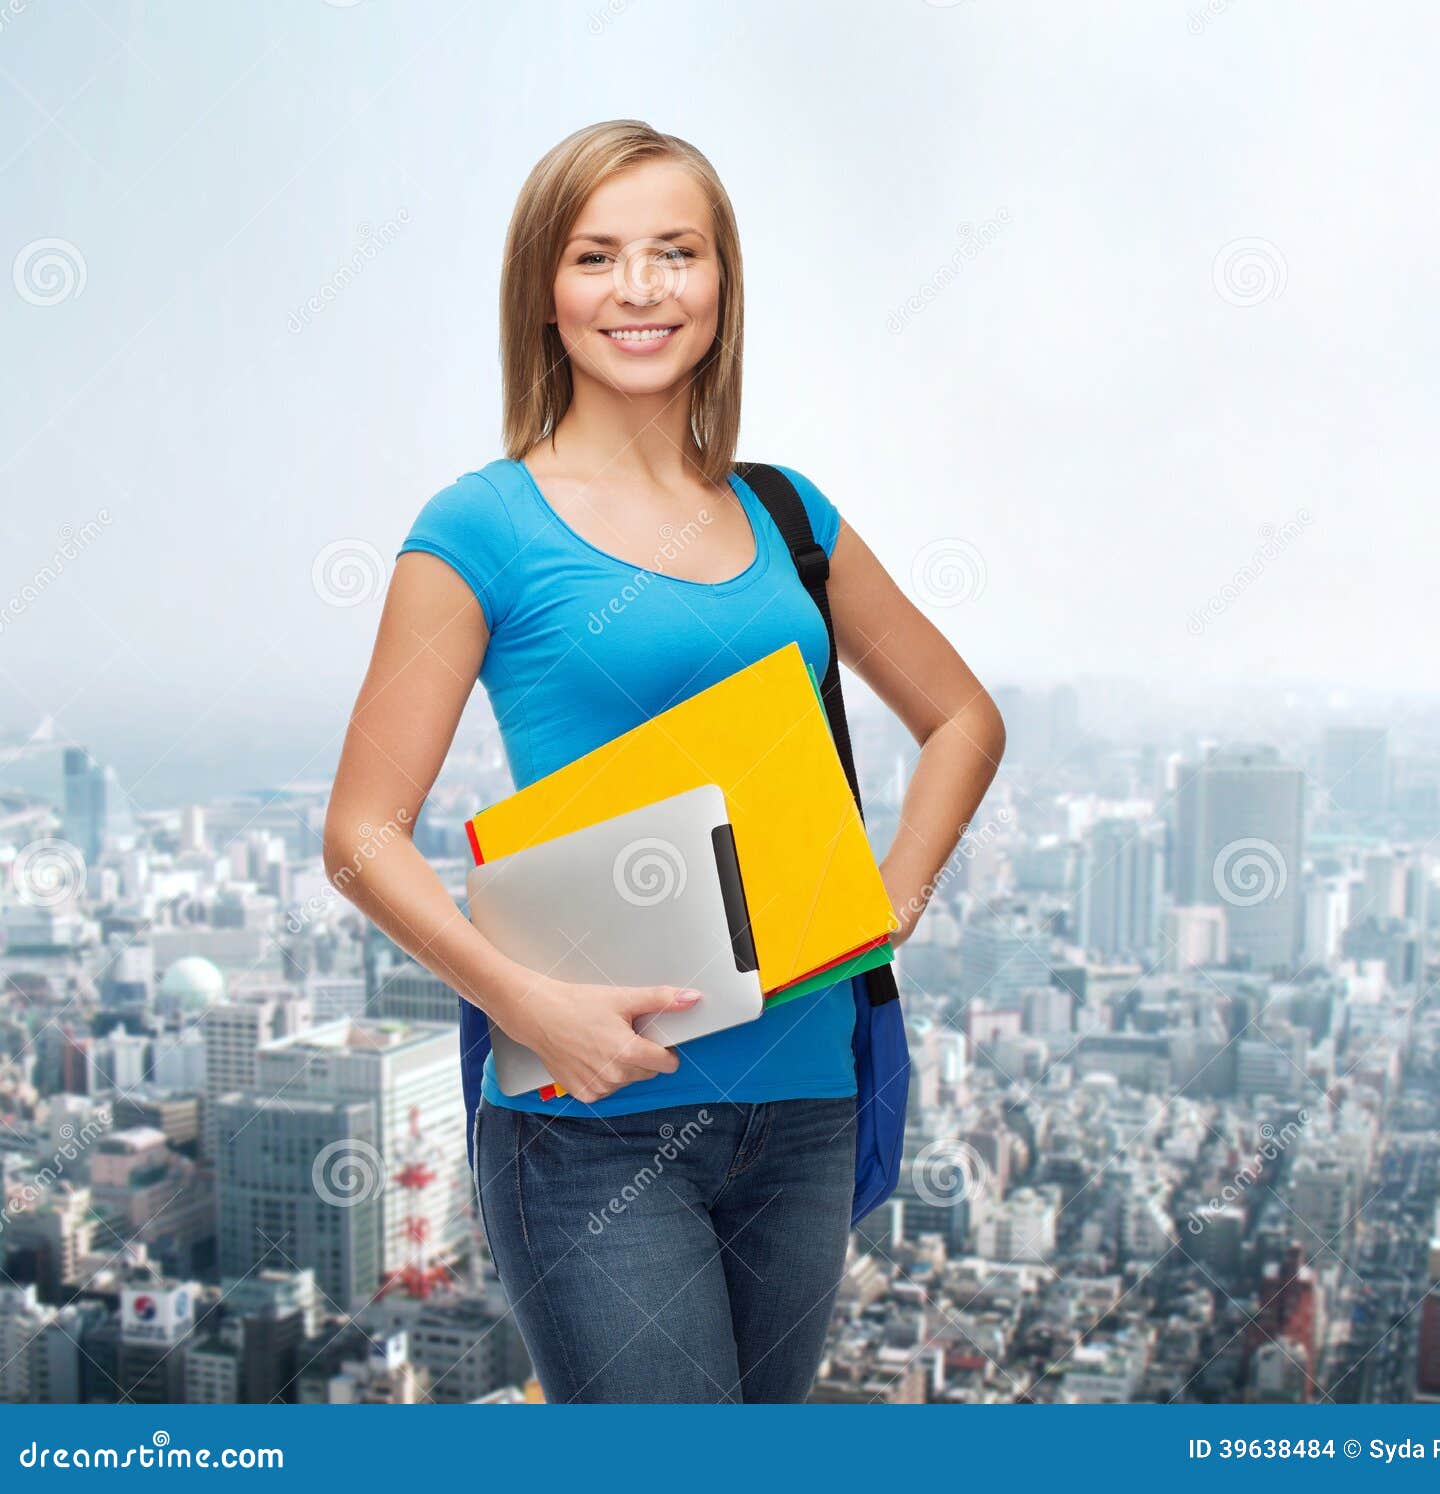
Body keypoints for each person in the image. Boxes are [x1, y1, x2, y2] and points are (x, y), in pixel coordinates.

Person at [323, 119, 1005, 1403]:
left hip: (806, 1102)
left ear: (722, 284)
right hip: (590, 1123)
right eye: (596, 256)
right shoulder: (480, 526)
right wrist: (533, 1008)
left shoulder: (789, 513)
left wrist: (888, 902)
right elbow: (359, 834)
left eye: (675, 252)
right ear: (543, 292)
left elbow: (963, 718)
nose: (639, 288)